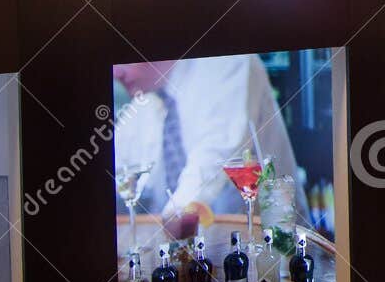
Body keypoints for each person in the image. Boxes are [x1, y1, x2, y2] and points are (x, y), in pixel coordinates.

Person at [113, 55, 300, 222]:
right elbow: (119, 169)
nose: (115, 73)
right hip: (184, 245)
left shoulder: (227, 61)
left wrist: (179, 212)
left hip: (271, 236)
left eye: (124, 58)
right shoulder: (142, 102)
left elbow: (216, 153)